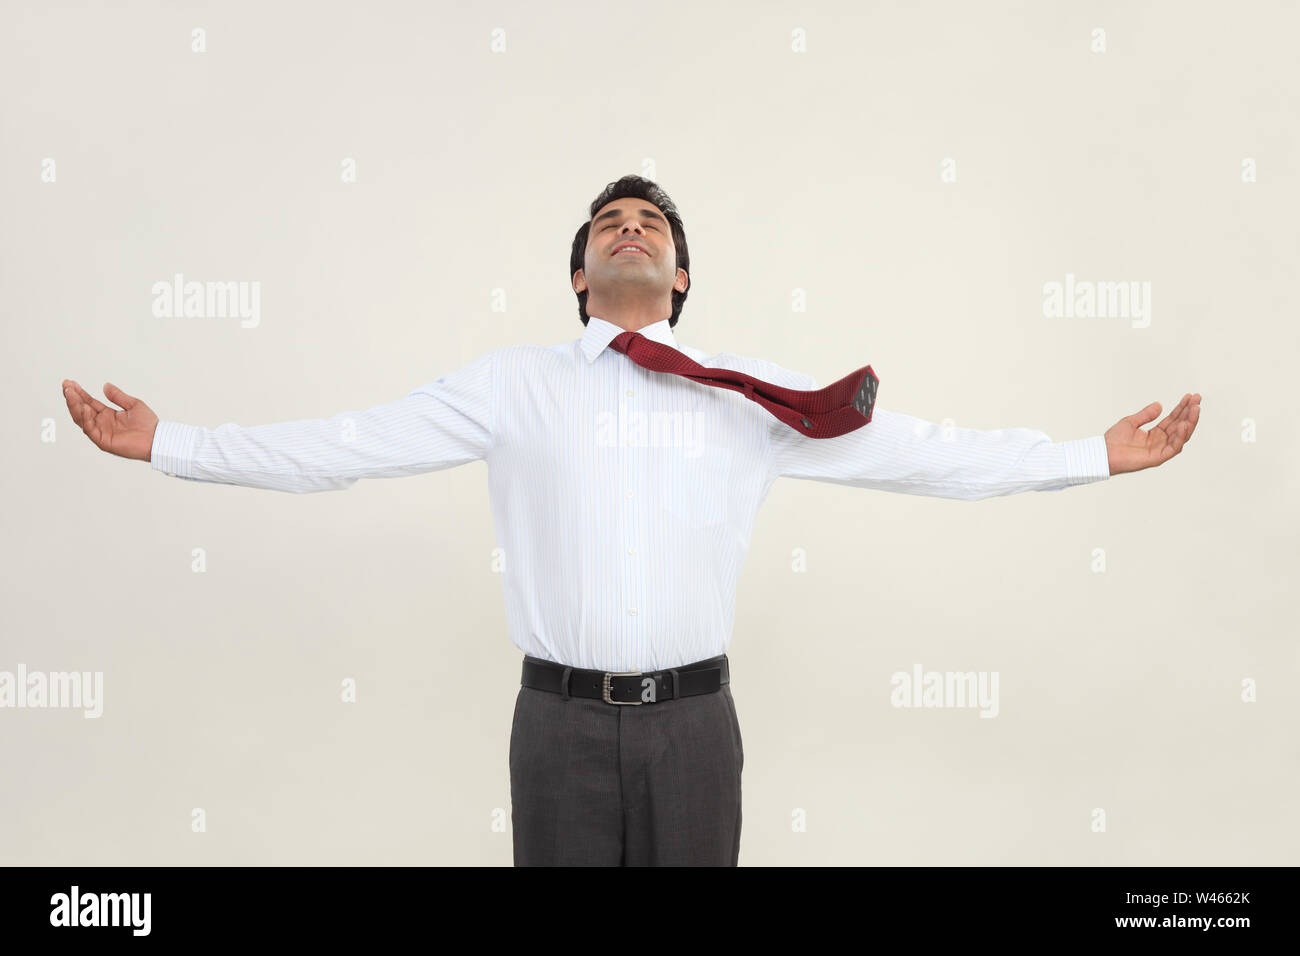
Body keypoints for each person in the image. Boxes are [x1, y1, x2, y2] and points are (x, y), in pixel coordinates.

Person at [61, 175, 1202, 866]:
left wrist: (1090, 456)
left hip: (696, 726)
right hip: (556, 727)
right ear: (577, 278)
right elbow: (345, 446)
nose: (627, 228)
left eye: (648, 220)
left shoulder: (752, 395)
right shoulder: (511, 384)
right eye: (606, 222)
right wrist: (173, 442)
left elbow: (924, 454)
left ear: (682, 274)